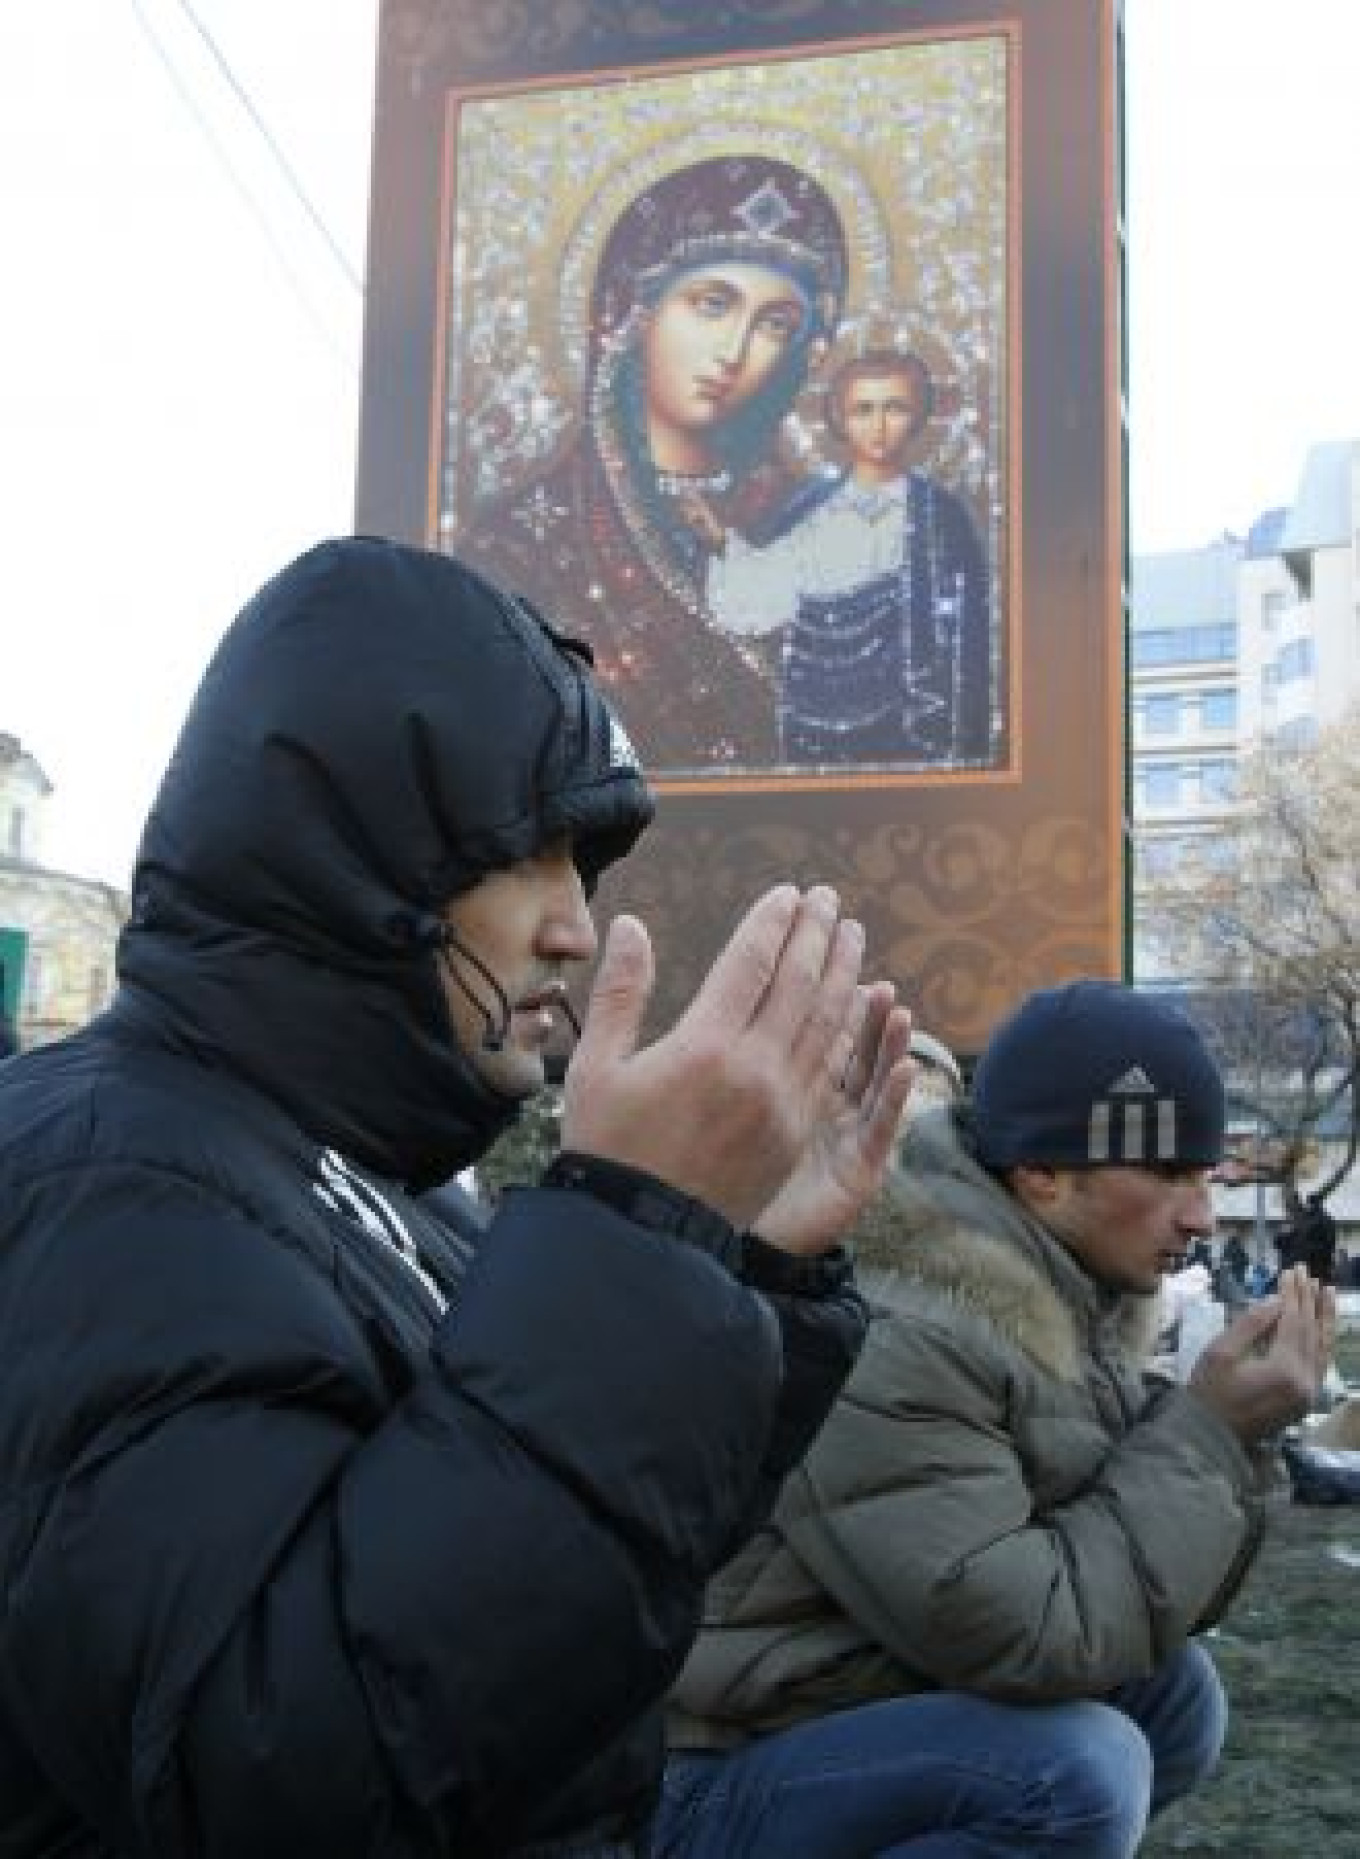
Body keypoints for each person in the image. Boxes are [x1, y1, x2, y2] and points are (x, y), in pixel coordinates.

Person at [0, 538, 915, 1855]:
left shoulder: (386, 1179)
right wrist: (643, 1244)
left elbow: (557, 1577)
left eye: (583, 866)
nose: (577, 924)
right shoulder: (105, 1176)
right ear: (365, 851)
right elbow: (279, 1759)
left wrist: (732, 1265)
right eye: (531, 850)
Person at [661, 979, 1335, 1858]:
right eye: (1169, 1172)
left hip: (843, 1700)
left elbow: (1124, 1595)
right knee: (1076, 1771)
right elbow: (1024, 1633)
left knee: (1174, 1694)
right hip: (704, 1767)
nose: (1202, 1213)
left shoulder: (1059, 1284)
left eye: (1208, 1172)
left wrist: (1231, 1433)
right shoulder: (909, 1321)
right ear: (1041, 1173)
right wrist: (1208, 1433)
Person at [459, 152, 848, 774]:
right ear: (630, 312)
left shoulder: (814, 527)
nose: (735, 351)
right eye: (713, 304)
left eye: (775, 324)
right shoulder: (523, 540)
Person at [703, 347, 993, 767]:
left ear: (917, 416)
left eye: (894, 408)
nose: (878, 426)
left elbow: (969, 633)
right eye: (862, 410)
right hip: (814, 714)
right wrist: (718, 543)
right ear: (839, 418)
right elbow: (763, 598)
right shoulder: (811, 507)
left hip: (909, 716)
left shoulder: (942, 515)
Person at [1274, 1192, 1339, 1286]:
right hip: (1319, 1263)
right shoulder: (1327, 1219)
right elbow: (1331, 1243)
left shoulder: (1302, 1220)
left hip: (1300, 1265)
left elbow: (1279, 1242)